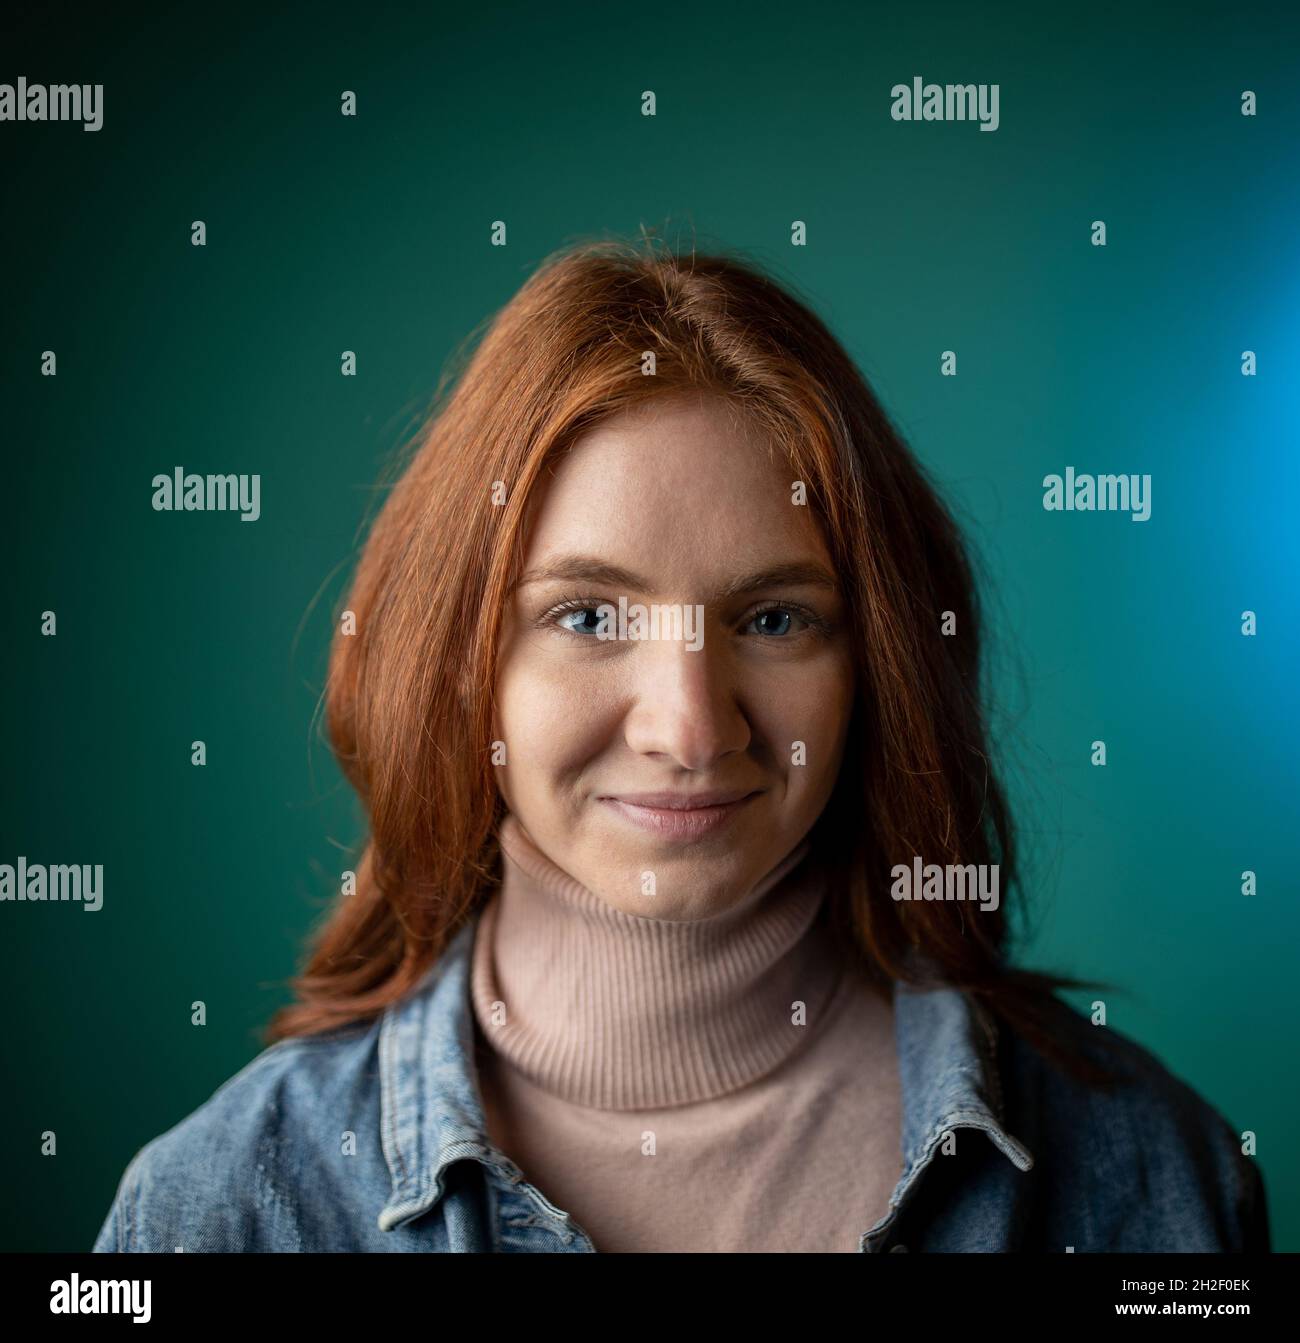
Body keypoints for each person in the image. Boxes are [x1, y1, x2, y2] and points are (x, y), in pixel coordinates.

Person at [92, 237, 1269, 1253]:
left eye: (773, 618)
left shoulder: (1150, 1170)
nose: (690, 727)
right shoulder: (219, 1206)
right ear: (458, 663)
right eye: (588, 616)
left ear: (875, 662)